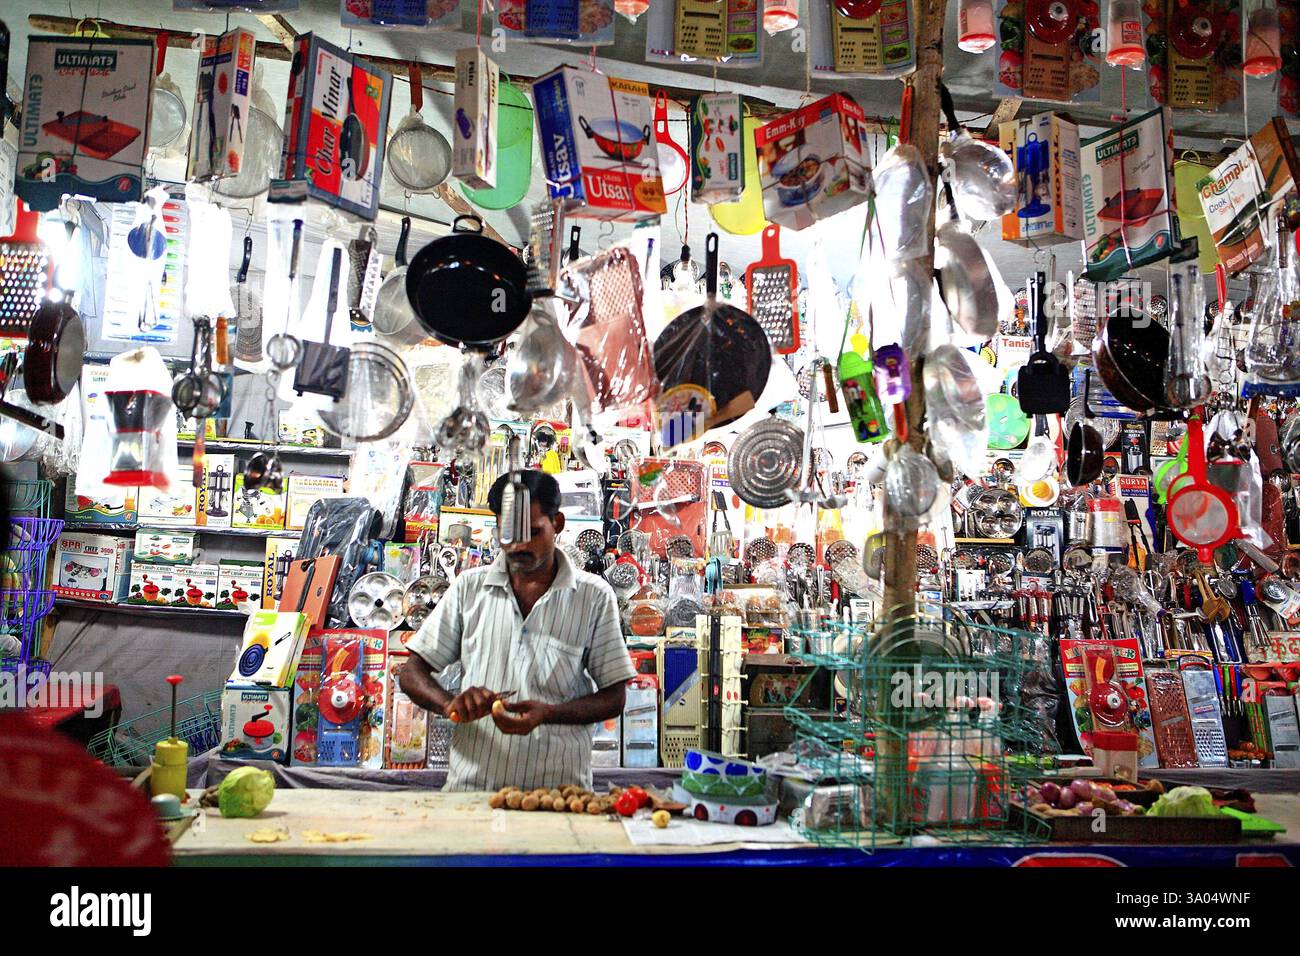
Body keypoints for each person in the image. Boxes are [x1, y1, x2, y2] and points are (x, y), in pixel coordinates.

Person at [399, 469, 636, 791]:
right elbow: (412, 673)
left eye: (533, 533)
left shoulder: (593, 596)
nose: (518, 545)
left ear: (558, 524)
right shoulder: (469, 588)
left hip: (558, 794)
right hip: (473, 789)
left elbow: (614, 698)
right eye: (509, 533)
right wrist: (450, 704)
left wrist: (549, 713)